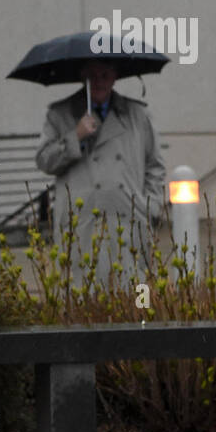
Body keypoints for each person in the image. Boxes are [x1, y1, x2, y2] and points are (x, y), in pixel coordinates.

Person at [35, 59, 166, 278]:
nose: (99, 82)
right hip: (82, 226)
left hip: (128, 221)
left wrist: (149, 206)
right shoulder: (60, 114)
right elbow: (44, 161)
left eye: (105, 75)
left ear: (115, 77)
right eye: (92, 76)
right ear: (82, 78)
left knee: (136, 297)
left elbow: (155, 166)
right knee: (83, 296)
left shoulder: (138, 114)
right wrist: (75, 136)